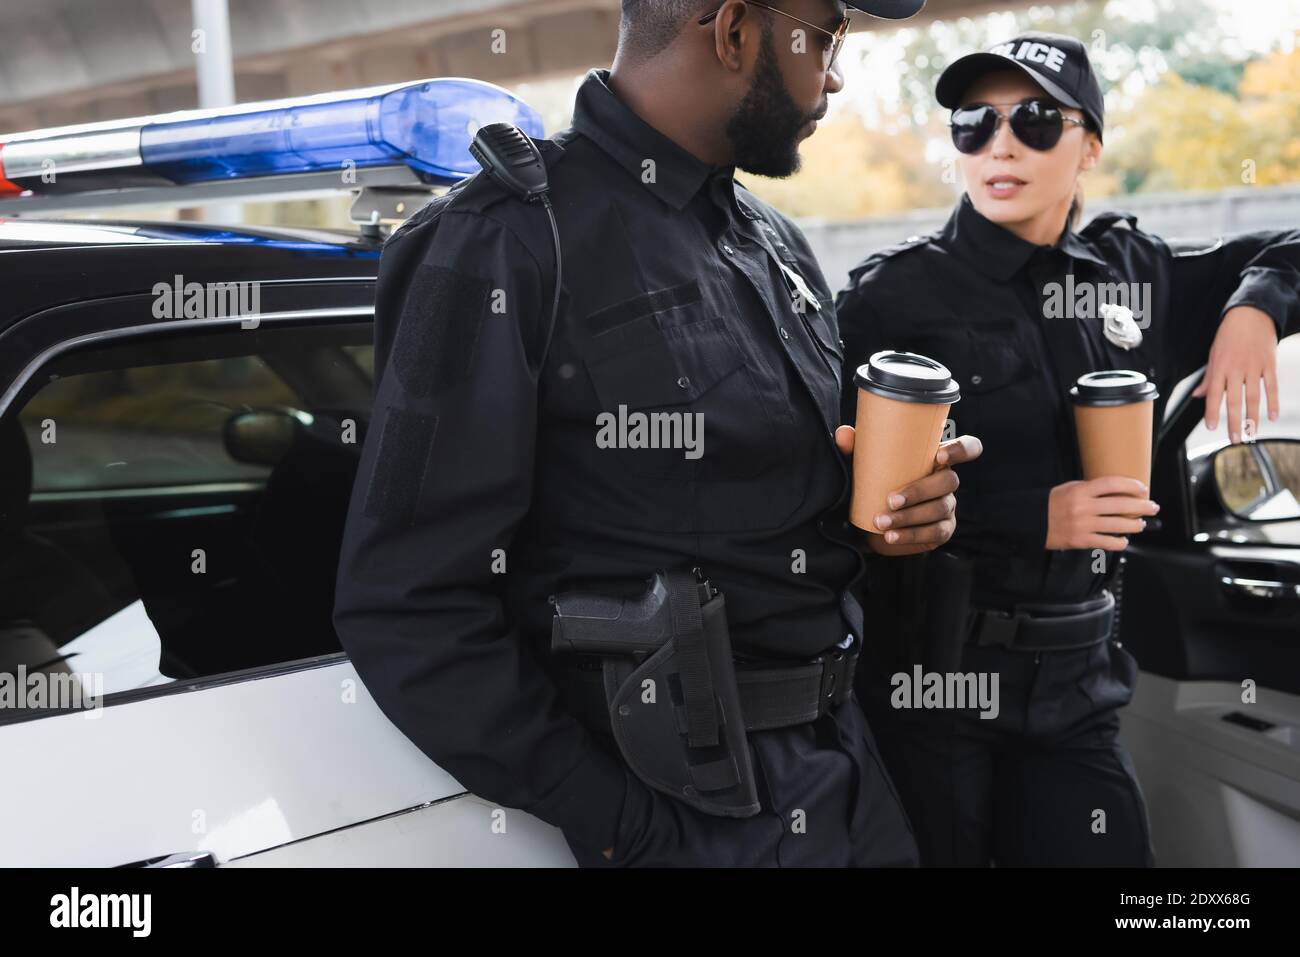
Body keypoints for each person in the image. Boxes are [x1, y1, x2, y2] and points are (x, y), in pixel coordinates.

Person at [333, 0, 983, 868]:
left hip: (846, 773)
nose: (835, 75)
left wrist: (897, 521)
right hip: (687, 809)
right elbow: (405, 604)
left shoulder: (776, 243)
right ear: (734, 31)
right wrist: (624, 826)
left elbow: (782, 518)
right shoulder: (504, 239)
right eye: (827, 37)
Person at [835, 31, 1299, 867]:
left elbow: (1288, 248)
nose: (1000, 144)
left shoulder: (1134, 275)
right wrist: (1028, 517)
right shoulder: (891, 298)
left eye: (1036, 120)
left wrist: (1255, 306)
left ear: (1089, 146)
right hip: (934, 688)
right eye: (973, 122)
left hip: (1081, 688)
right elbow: (846, 504)